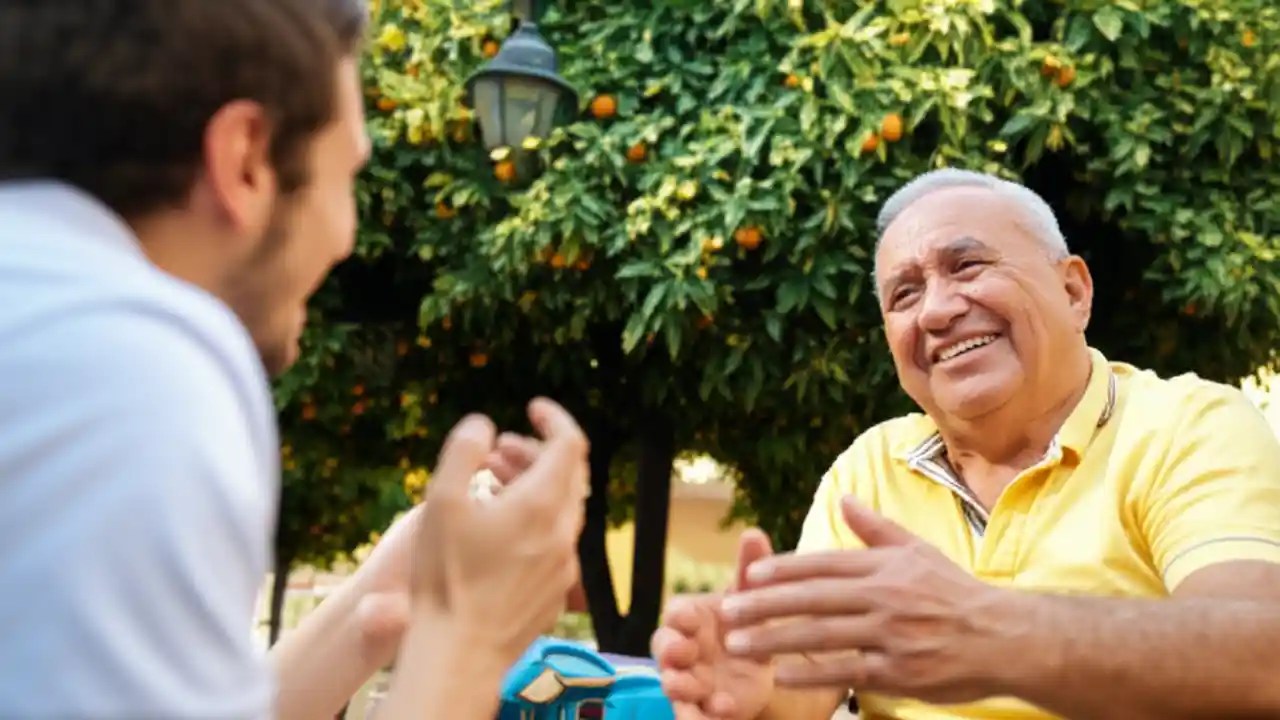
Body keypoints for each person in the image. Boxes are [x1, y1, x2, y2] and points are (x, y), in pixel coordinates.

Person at [0, 2, 587, 718]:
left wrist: (383, 598)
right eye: (347, 175)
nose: (346, 237)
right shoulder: (131, 360)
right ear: (245, 158)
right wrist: (471, 633)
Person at [652, 168, 1280, 719]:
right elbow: (810, 680)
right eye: (904, 294)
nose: (935, 311)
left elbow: (1260, 657)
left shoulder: (1187, 424)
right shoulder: (870, 470)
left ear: (1073, 291)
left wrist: (992, 633)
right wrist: (755, 690)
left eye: (967, 266)